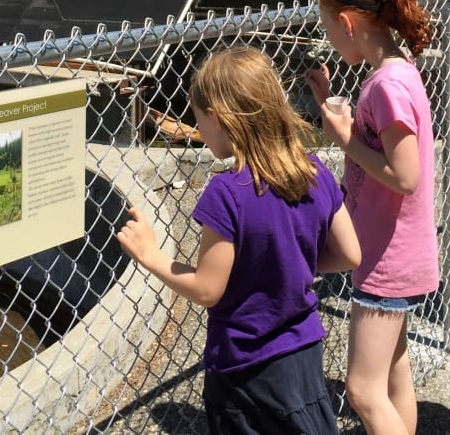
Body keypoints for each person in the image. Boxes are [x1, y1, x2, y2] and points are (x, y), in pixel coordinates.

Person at [116, 46, 361, 435]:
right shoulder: (315, 170)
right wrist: (287, 262)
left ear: (216, 118)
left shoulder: (227, 192)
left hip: (243, 362)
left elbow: (207, 289)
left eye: (198, 120)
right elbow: (350, 254)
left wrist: (150, 255)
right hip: (303, 349)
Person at [305, 0, 438, 435]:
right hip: (391, 250)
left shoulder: (386, 86)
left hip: (388, 257)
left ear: (348, 24)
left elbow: (405, 176)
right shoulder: (395, 72)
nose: (330, 40)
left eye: (327, 29)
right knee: (394, 372)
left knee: (362, 391)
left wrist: (343, 142)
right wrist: (332, 113)